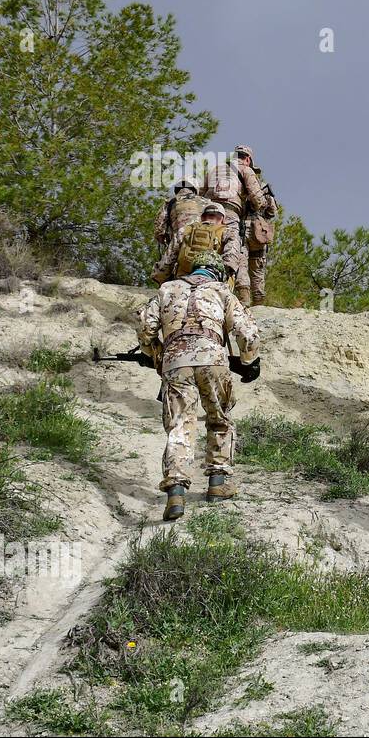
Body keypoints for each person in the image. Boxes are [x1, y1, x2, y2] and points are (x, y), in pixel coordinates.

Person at [136, 250, 260, 521]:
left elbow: (146, 326)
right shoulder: (221, 291)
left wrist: (151, 352)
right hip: (213, 359)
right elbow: (247, 332)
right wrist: (250, 360)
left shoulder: (166, 289)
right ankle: (217, 483)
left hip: (175, 362)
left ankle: (176, 492)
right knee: (219, 419)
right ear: (217, 271)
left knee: (179, 426)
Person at [200, 144, 272, 304]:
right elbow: (258, 199)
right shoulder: (246, 170)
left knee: (207, 245)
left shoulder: (214, 169)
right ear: (247, 159)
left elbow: (201, 193)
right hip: (230, 212)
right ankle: (239, 295)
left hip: (208, 213)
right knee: (234, 250)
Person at [152, 202, 237, 284]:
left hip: (183, 280)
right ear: (223, 219)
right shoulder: (228, 231)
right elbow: (230, 261)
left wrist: (160, 279)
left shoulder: (185, 230)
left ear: (202, 218)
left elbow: (168, 260)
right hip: (213, 283)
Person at [243, 165, 279, 306]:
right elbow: (272, 213)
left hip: (244, 230)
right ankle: (258, 304)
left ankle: (244, 302)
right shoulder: (263, 189)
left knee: (242, 267)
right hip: (260, 232)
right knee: (257, 269)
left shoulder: (240, 187)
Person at [152, 177, 203, 252]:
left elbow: (159, 231)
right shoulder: (206, 201)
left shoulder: (170, 203)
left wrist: (165, 241)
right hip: (202, 244)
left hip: (177, 246)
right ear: (194, 188)